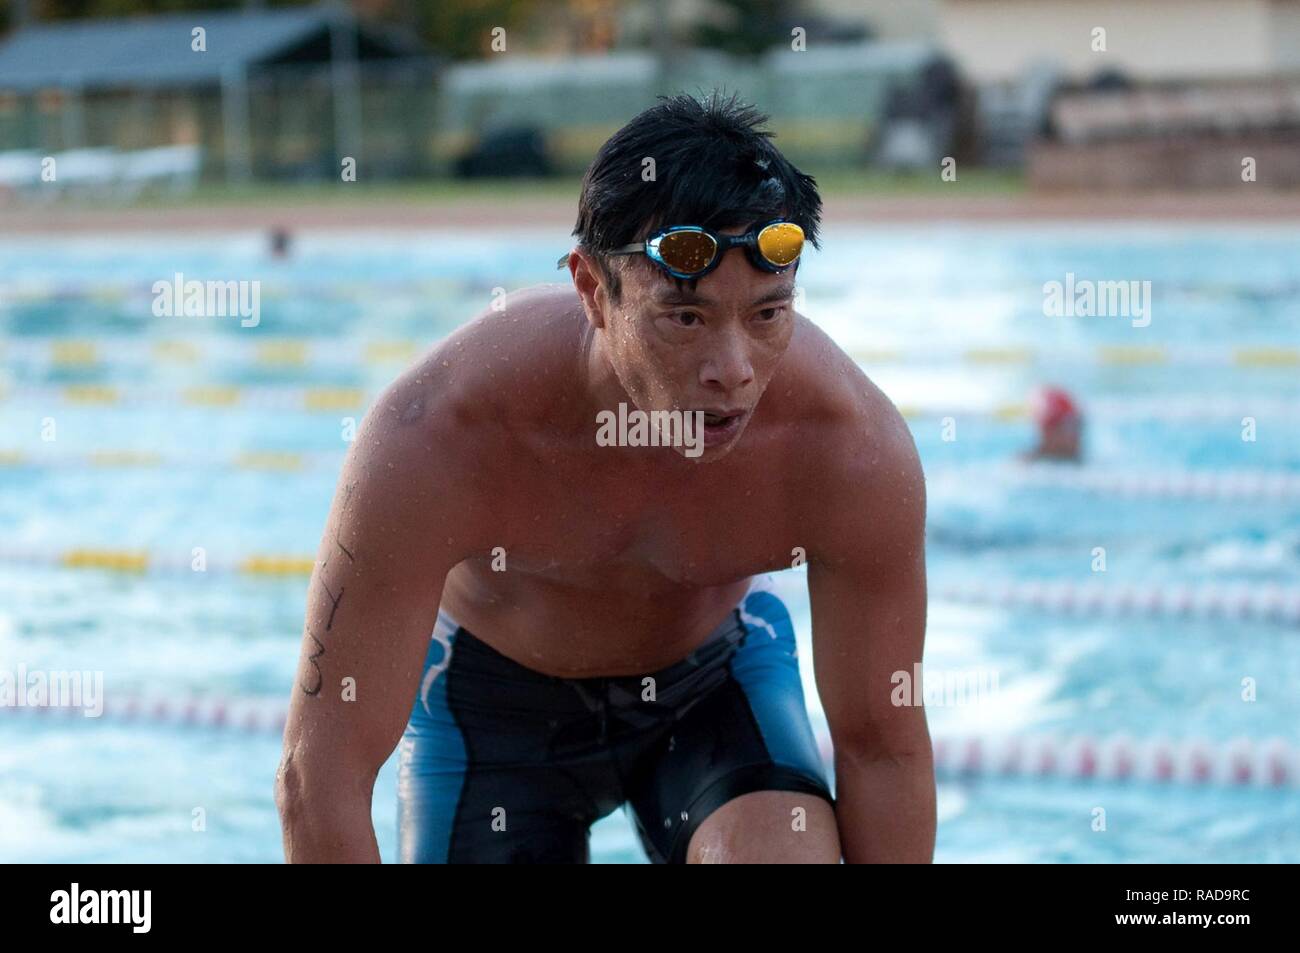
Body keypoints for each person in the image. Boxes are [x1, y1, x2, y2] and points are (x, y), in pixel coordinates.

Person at [275, 92, 933, 864]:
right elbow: (317, 778)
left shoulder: (848, 449)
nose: (734, 371)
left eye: (766, 314)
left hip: (715, 681)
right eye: (685, 318)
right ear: (592, 289)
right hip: (489, 706)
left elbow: (882, 749)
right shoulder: (439, 437)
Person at [1024, 385, 1083, 462]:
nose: (1076, 435)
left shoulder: (1079, 462)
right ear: (1047, 431)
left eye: (1078, 425)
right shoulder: (1029, 466)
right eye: (1068, 427)